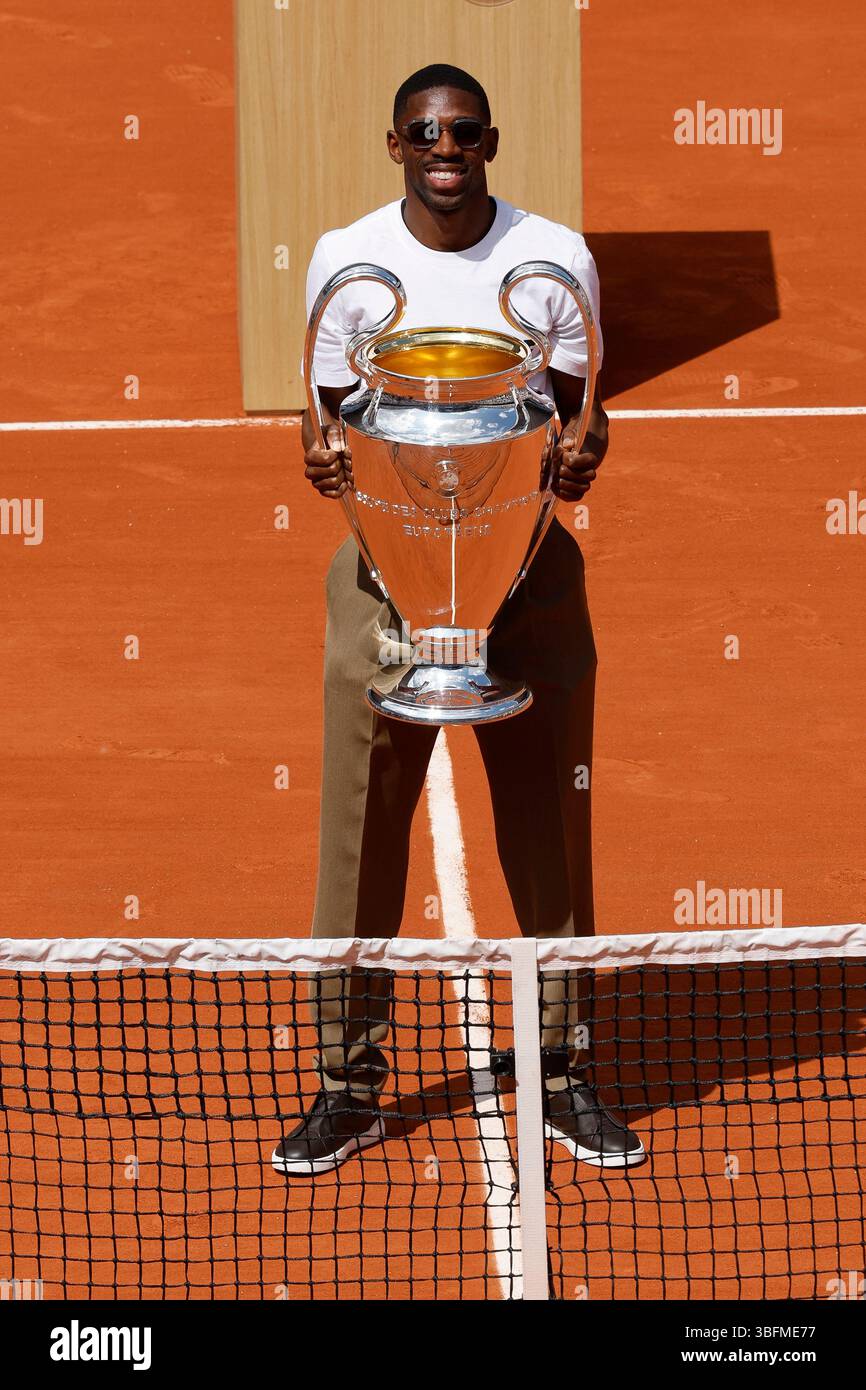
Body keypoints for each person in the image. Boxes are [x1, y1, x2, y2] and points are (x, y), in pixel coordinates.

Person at [272, 63, 644, 1175]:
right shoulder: (347, 259)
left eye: (466, 133)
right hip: (384, 581)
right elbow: (330, 412)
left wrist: (585, 452)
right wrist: (317, 452)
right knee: (355, 835)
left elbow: (580, 415)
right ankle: (348, 1080)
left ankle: (560, 1071)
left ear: (491, 142)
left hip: (524, 578)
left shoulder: (551, 258)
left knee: (551, 829)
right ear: (395, 145)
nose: (448, 149)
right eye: (427, 133)